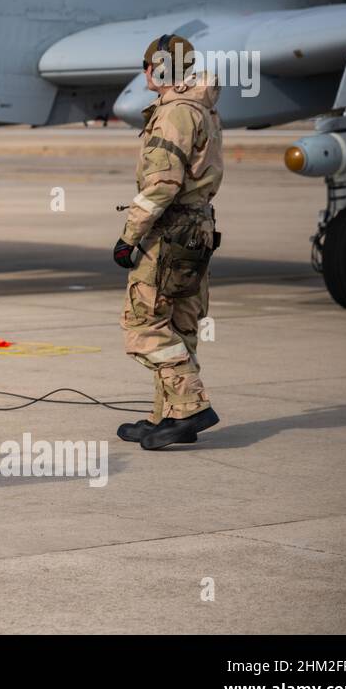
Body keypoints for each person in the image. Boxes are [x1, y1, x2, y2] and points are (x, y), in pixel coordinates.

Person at [112, 34, 223, 450]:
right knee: (179, 324)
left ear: (158, 69)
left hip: (170, 231)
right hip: (196, 228)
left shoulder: (174, 112)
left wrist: (128, 237)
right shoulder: (200, 107)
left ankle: (191, 406)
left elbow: (161, 185)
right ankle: (169, 416)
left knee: (143, 324)